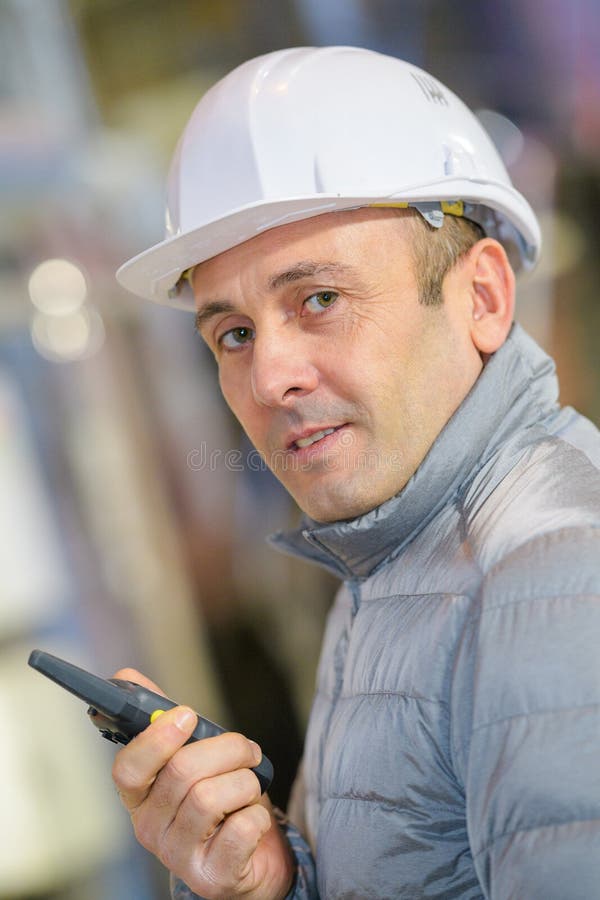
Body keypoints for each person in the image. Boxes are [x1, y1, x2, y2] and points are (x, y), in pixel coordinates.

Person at [113, 47, 600, 899]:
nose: (270, 379)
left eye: (319, 301)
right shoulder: (393, 562)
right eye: (234, 334)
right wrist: (264, 884)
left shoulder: (551, 578)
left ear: (482, 298)